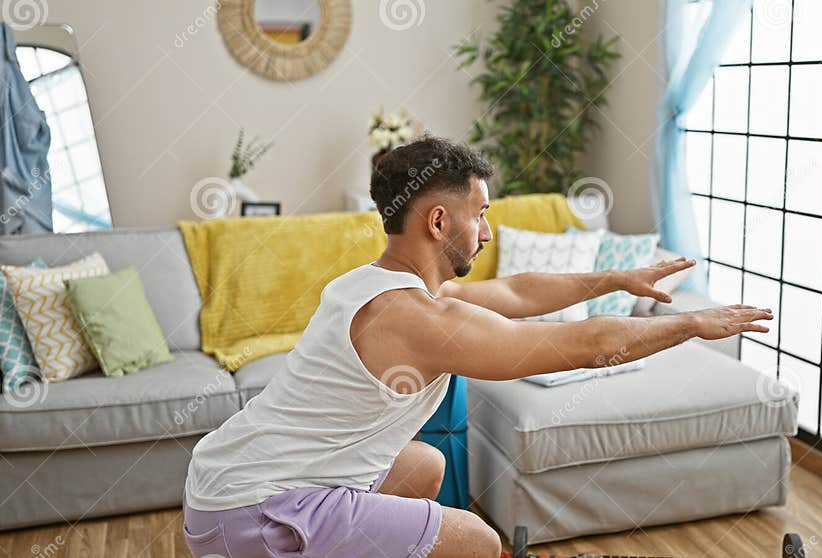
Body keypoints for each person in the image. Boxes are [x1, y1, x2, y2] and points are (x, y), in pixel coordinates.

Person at [182, 135, 773, 558]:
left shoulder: (377, 282)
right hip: (250, 512)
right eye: (480, 214)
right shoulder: (411, 316)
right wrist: (693, 325)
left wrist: (616, 278)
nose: (487, 231)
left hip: (226, 479)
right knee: (477, 542)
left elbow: (517, 290)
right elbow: (590, 344)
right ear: (438, 222)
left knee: (425, 465)